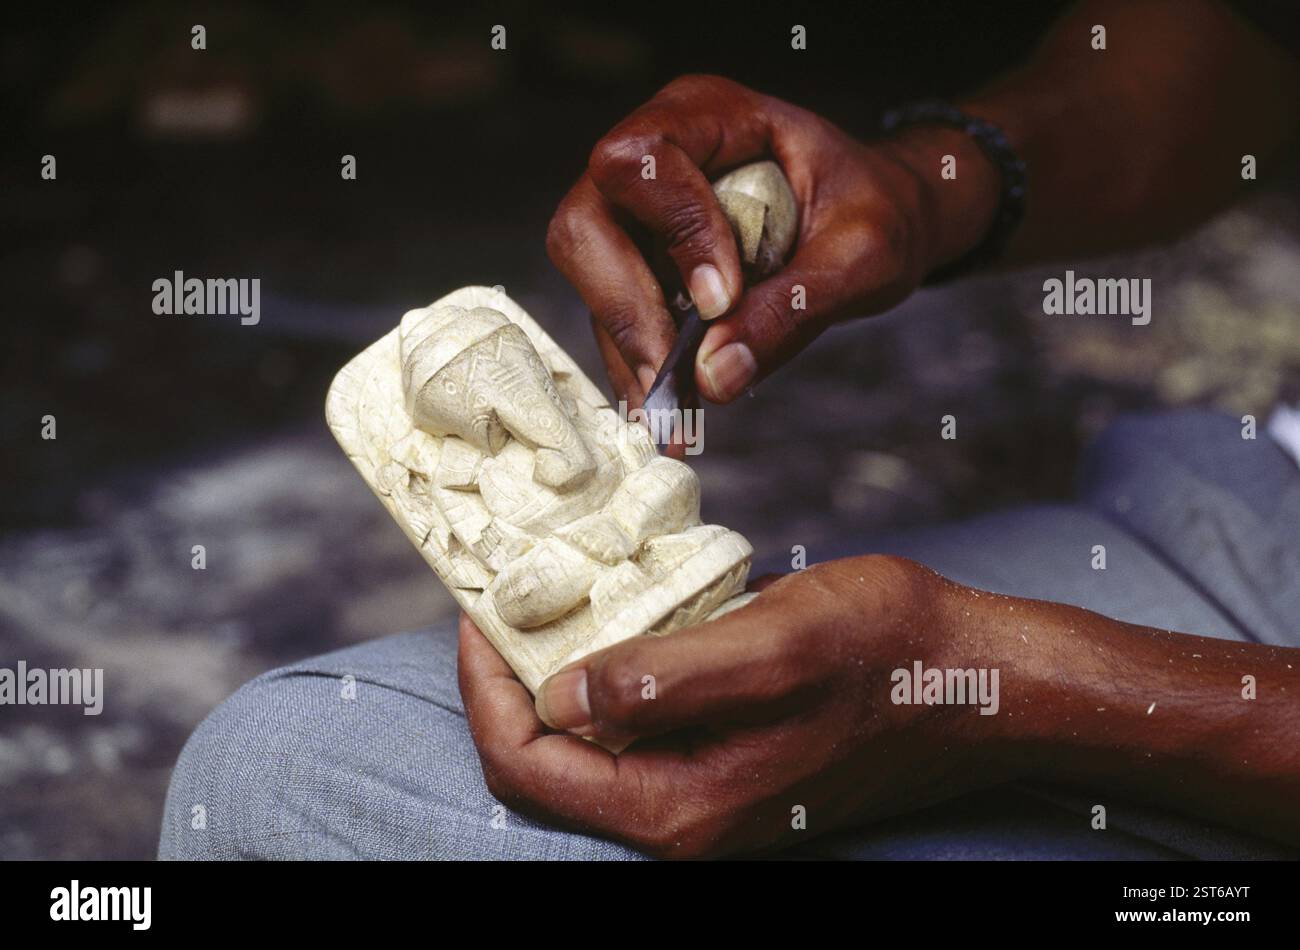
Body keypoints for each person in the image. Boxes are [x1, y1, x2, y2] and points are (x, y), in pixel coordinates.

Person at [160, 0, 1300, 859]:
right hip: (1248, 506)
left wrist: (999, 689)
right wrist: (920, 187)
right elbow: (1245, 45)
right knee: (275, 766)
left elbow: (650, 507)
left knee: (283, 784)